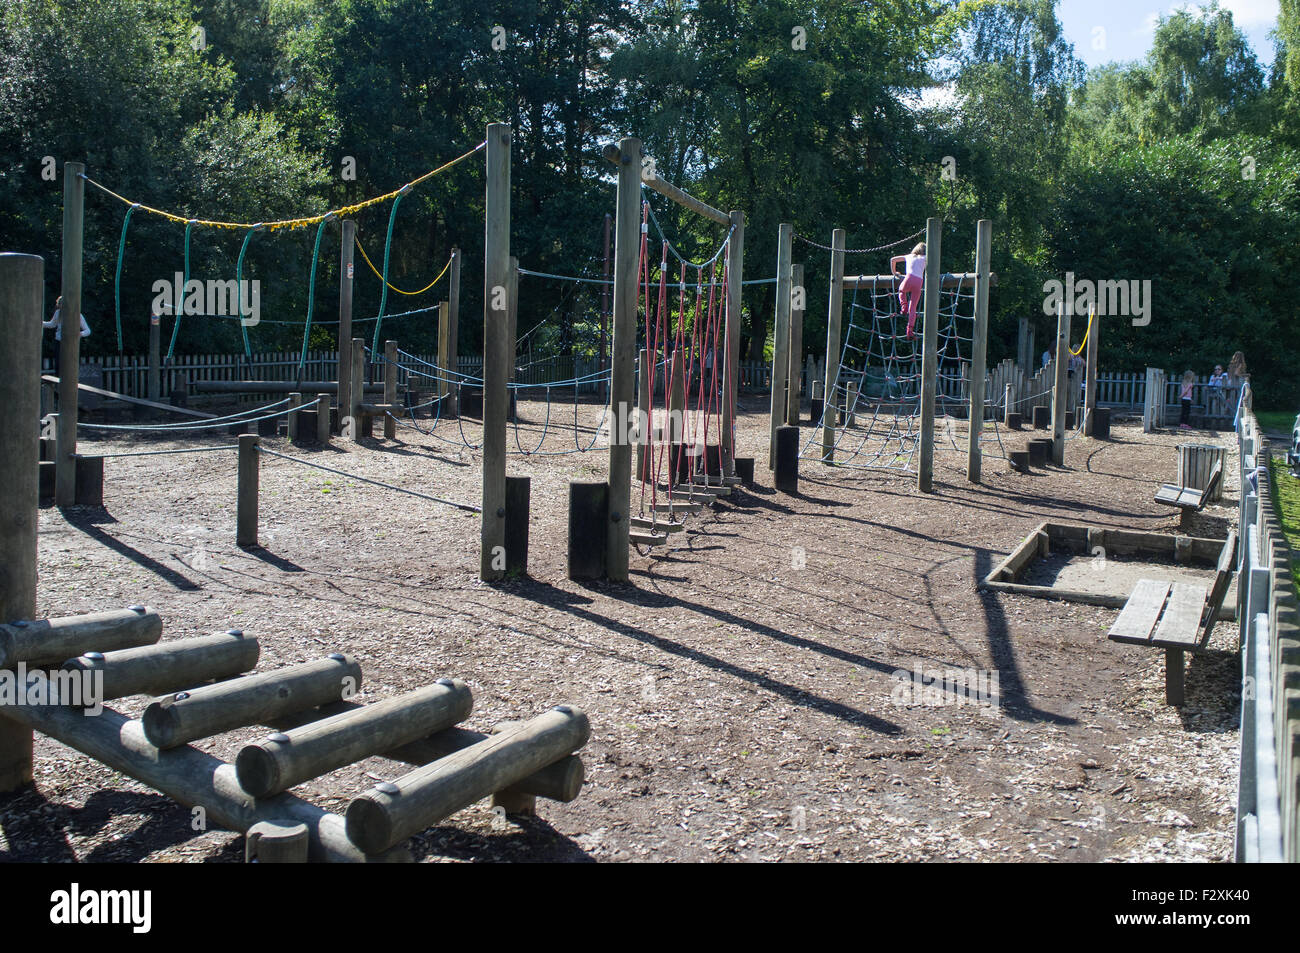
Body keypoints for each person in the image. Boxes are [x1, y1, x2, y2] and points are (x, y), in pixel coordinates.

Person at [43, 295, 90, 378]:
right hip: (59, 342)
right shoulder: (58, 313)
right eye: (59, 305)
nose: (61, 307)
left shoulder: (77, 315)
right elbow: (52, 324)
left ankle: (72, 385)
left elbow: (88, 331)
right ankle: (58, 387)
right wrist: (40, 322)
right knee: (59, 366)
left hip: (71, 343)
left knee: (71, 366)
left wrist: (79, 334)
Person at [889, 243, 925, 340]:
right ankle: (910, 331)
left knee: (901, 290)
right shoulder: (925, 258)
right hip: (919, 282)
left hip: (908, 279)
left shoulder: (909, 256)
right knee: (913, 308)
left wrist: (894, 272)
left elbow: (892, 259)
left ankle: (904, 307)